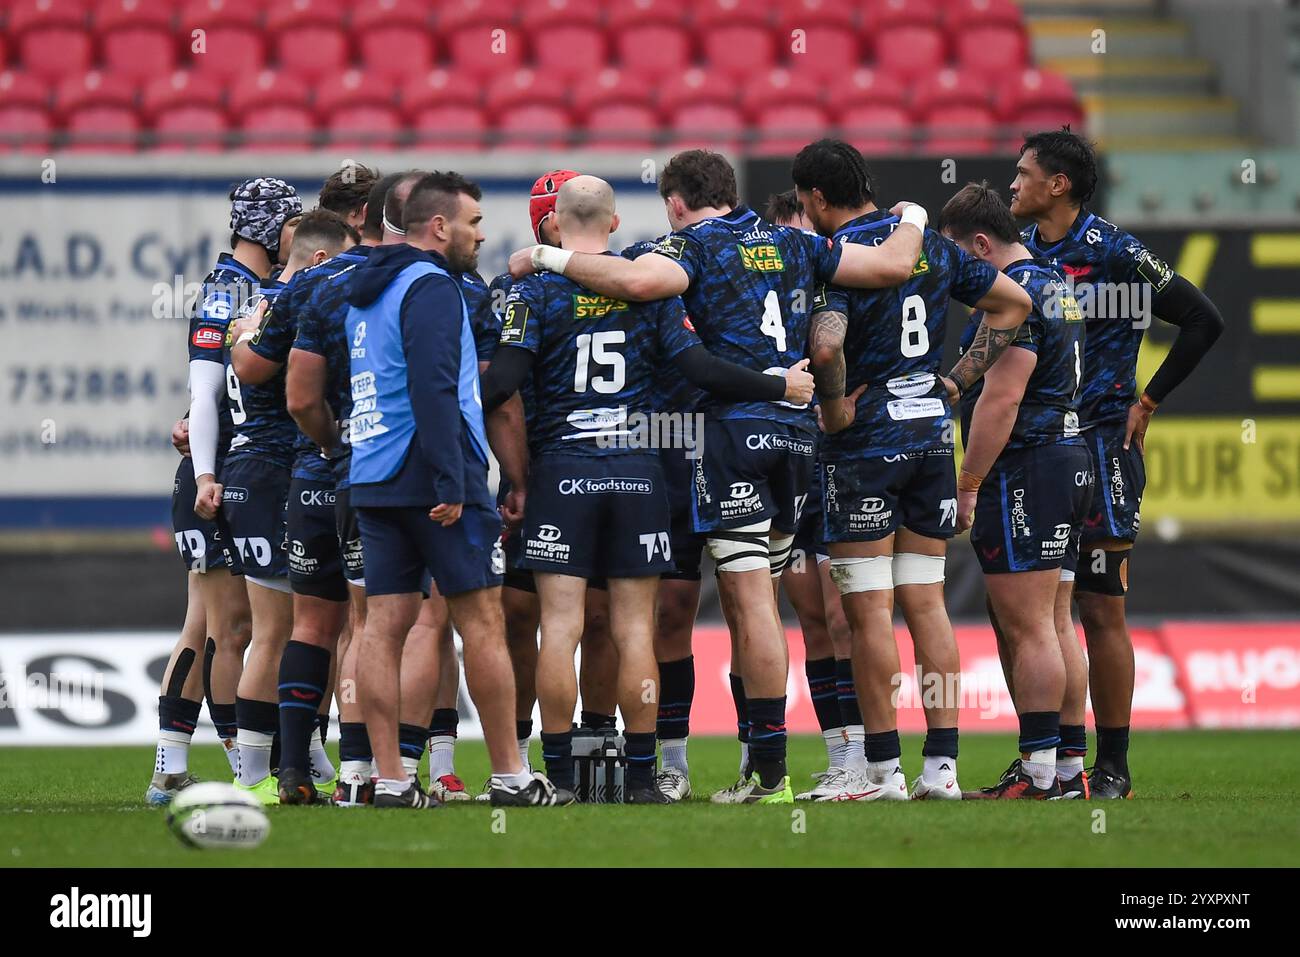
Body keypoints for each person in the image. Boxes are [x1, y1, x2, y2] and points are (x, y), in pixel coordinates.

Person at [509, 149, 927, 804]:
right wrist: (917, 216)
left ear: (675, 202)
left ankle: (752, 774)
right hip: (793, 436)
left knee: (734, 603)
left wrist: (546, 257)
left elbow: (640, 288)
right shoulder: (796, 242)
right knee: (759, 602)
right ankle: (738, 766)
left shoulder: (684, 248)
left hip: (721, 436)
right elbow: (896, 264)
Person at [482, 175, 816, 803]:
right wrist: (778, 387)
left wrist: (437, 407)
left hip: (563, 471)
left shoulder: (532, 293)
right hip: (639, 473)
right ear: (612, 224)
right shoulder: (650, 285)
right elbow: (700, 368)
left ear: (554, 221)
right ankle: (640, 778)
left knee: (562, 627)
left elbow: (503, 382)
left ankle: (555, 777)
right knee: (635, 630)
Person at [798, 141, 1032, 800]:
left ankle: (882, 773)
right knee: (927, 603)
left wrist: (837, 407)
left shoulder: (840, 257)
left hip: (866, 450)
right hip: (931, 441)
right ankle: (944, 768)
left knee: (870, 612)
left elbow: (826, 343)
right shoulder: (934, 246)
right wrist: (957, 381)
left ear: (817, 200)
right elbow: (1013, 306)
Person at [1012, 128, 1223, 798]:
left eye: (1024, 174)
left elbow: (1201, 318)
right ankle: (1050, 760)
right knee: (1035, 612)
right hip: (1040, 449)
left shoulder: (1114, 251)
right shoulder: (1024, 255)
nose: (1013, 183)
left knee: (1100, 609)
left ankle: (1113, 767)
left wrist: (1151, 398)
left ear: (1058, 185)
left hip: (1104, 448)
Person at [346, 171, 560, 808]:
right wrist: (452, 478)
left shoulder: (365, 288)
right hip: (437, 475)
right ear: (439, 227)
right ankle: (511, 777)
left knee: (382, 628)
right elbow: (435, 386)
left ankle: (389, 779)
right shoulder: (434, 286)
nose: (481, 233)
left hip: (373, 474)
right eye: (472, 222)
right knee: (482, 623)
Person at [938, 182, 1092, 799]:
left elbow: (1001, 400)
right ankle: (1067, 769)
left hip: (1028, 464)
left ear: (980, 245)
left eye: (957, 258)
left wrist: (969, 484)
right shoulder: (1058, 283)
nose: (953, 275)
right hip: (1070, 456)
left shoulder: (1014, 297)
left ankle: (1036, 773)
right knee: (1056, 622)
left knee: (1026, 626)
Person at [228, 208, 360, 804]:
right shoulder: (392, 282)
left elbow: (249, 366)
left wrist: (247, 328)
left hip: (303, 472)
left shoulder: (285, 294)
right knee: (367, 627)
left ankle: (278, 773)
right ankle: (369, 769)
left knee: (288, 629)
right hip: (363, 471)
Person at [185, 177, 301, 804]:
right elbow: (204, 392)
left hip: (249, 467)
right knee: (244, 626)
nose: (295, 233)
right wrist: (205, 471)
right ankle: (246, 765)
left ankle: (285, 759)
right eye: (289, 221)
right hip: (243, 472)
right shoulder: (229, 289)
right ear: (266, 227)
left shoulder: (259, 287)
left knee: (261, 625)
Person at [763, 188, 863, 798]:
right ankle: (838, 754)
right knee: (811, 621)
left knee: (843, 616)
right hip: (785, 462)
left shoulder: (835, 296)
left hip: (837, 464)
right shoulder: (757, 306)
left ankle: (866, 754)